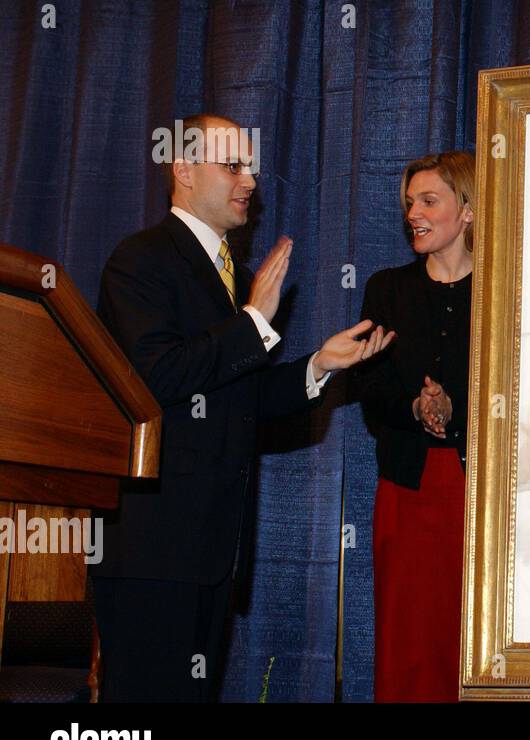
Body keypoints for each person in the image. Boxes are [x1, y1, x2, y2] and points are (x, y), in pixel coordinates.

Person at [93, 113, 393, 702]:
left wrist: (316, 368)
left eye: (251, 167)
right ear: (182, 169)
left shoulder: (234, 275)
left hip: (211, 552)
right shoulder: (141, 260)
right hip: (154, 551)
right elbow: (159, 377)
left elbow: (235, 402)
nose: (250, 180)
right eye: (232, 165)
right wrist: (254, 321)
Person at [353, 151, 474, 702]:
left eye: (429, 201)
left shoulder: (503, 288)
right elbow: (370, 392)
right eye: (409, 203)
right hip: (406, 489)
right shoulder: (386, 289)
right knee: (406, 637)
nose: (414, 214)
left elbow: (523, 396)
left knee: (468, 638)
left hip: (480, 496)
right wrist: (416, 409)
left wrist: (456, 411)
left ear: (467, 210)